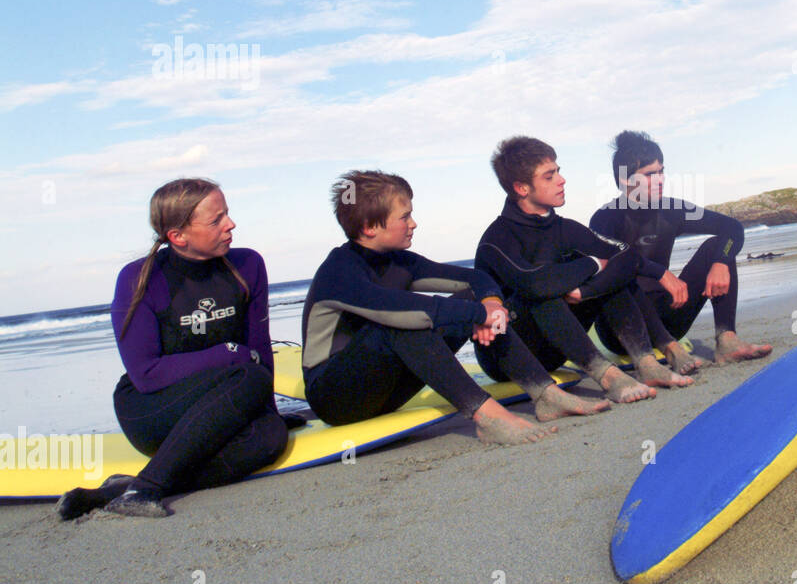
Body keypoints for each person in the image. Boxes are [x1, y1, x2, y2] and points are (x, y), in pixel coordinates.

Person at [301, 171, 608, 447]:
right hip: (337, 397)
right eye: (404, 217)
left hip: (388, 390)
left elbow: (474, 277)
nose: (413, 223)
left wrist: (490, 304)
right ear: (369, 227)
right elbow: (394, 309)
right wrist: (477, 316)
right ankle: (489, 418)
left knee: (468, 300)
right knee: (405, 321)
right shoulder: (339, 272)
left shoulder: (400, 260)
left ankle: (544, 393)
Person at [58, 179, 288, 520]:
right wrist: (228, 353)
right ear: (178, 236)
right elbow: (147, 374)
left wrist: (267, 410)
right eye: (216, 220)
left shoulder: (248, 265)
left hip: (229, 397)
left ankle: (125, 488)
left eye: (227, 213)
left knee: (271, 438)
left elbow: (259, 348)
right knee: (247, 374)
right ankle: (146, 488)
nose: (231, 224)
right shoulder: (139, 279)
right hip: (152, 410)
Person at [475, 136, 694, 404]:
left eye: (559, 171)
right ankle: (607, 376)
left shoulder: (566, 228)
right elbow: (536, 285)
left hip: (555, 350)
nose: (561, 180)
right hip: (506, 357)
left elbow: (627, 256)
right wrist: (590, 263)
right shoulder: (497, 240)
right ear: (521, 187)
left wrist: (586, 290)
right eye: (549, 176)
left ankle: (646, 361)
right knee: (543, 291)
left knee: (611, 274)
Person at [590, 131, 771, 369]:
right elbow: (614, 267)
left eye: (661, 171)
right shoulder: (605, 219)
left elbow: (732, 227)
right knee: (616, 273)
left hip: (670, 316)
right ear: (625, 180)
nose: (660, 179)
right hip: (623, 330)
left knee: (717, 247)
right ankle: (668, 347)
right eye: (649, 174)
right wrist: (661, 274)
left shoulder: (673, 210)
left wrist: (721, 262)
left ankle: (727, 340)